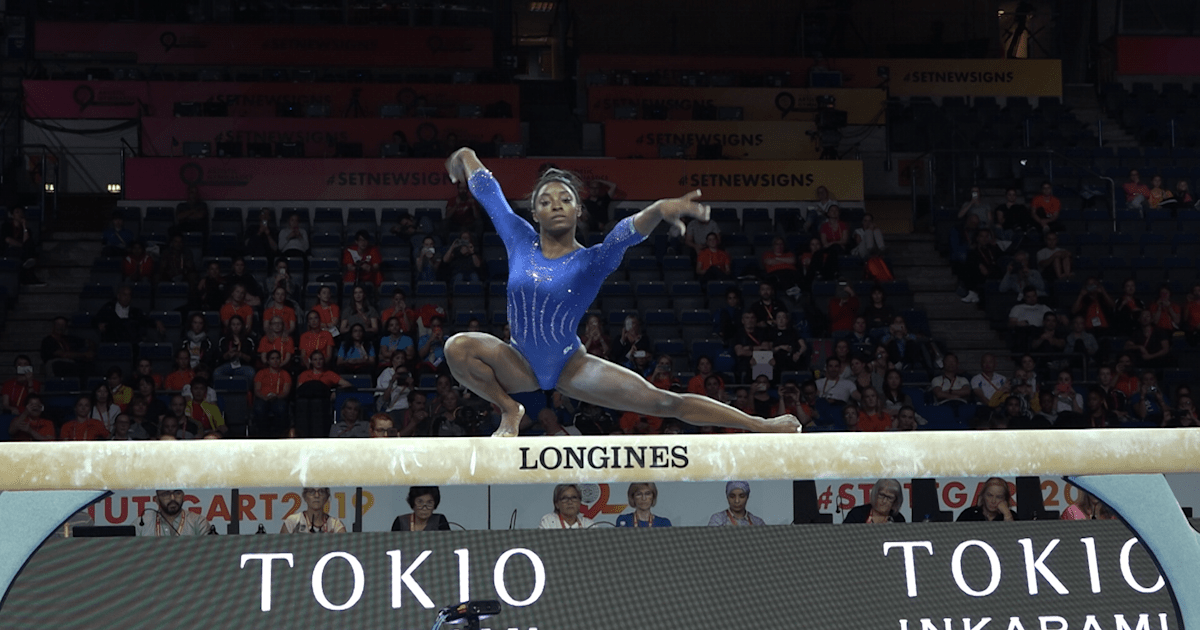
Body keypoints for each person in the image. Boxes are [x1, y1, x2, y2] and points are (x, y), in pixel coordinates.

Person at [441, 148, 800, 436]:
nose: (555, 205)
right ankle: (509, 409)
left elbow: (624, 234)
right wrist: (465, 154)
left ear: (579, 210)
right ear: (534, 212)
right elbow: (490, 194)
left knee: (662, 402)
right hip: (516, 362)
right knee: (457, 347)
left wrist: (659, 209)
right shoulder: (519, 238)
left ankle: (760, 425)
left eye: (565, 199)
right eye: (546, 201)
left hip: (570, 364)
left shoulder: (592, 262)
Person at [94, 284, 163, 343]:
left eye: (129, 295)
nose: (127, 297)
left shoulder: (135, 312)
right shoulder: (108, 308)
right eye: (124, 295)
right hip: (112, 343)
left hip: (131, 345)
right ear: (118, 296)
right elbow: (96, 320)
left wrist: (156, 322)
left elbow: (145, 320)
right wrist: (99, 323)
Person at [137, 490, 211, 536]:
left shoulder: (198, 522)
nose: (172, 498)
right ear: (157, 500)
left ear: (183, 496)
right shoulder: (141, 524)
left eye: (177, 493)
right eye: (166, 494)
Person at [252, 350, 292, 436]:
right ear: (268, 360)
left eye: (277, 358)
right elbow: (257, 390)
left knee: (281, 409)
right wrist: (264, 397)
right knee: (259, 409)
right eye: (272, 358)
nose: (275, 361)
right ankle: (262, 434)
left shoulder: (285, 374)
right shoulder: (261, 373)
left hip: (278, 398)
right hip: (263, 398)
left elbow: (285, 392)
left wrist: (276, 396)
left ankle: (280, 434)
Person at [3, 207, 44, 286]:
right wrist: (23, 246)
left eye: (21, 212)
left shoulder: (26, 229)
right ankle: (31, 279)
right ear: (12, 215)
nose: (20, 214)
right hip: (10, 250)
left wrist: (24, 226)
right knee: (26, 255)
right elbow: (8, 240)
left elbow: (27, 241)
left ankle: (26, 275)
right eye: (17, 212)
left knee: (26, 253)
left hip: (22, 251)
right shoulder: (6, 226)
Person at [280, 487, 347, 534]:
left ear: (327, 497)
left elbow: (345, 546)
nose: (317, 495)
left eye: (321, 491)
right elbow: (281, 550)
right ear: (304, 496)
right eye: (312, 492)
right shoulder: (292, 522)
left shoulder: (335, 524)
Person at [214, 314, 256, 380]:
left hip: (243, 366)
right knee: (217, 373)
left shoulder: (249, 340)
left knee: (251, 372)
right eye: (233, 324)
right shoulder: (223, 340)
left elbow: (252, 359)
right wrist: (228, 354)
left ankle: (247, 390)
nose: (236, 327)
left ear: (242, 326)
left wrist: (240, 355)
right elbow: (219, 358)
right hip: (228, 365)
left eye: (238, 324)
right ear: (230, 326)